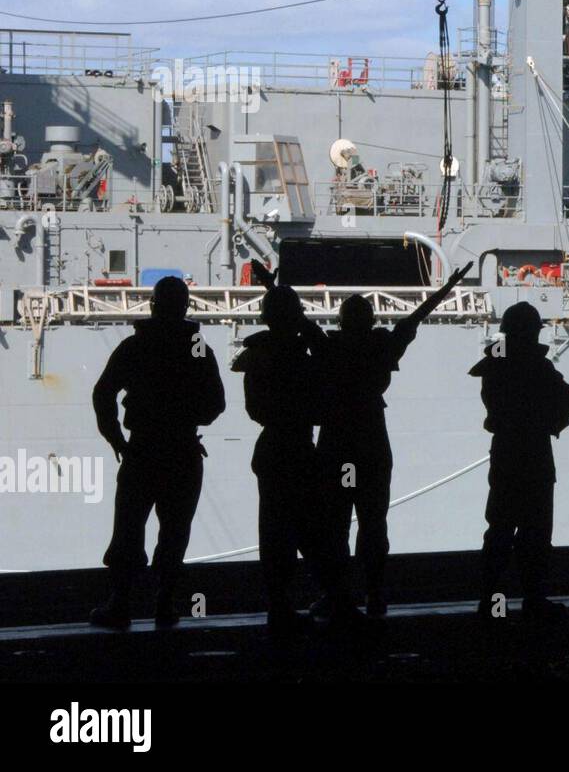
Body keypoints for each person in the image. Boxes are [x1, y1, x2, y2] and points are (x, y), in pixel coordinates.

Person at [308, 263, 471, 618]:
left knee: (335, 525)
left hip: (337, 442)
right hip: (371, 441)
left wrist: (271, 287)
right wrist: (447, 289)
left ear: (341, 321)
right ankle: (375, 593)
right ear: (369, 321)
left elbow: (299, 322)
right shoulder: (382, 348)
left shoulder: (329, 349)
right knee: (373, 522)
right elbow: (414, 320)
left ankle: (338, 595)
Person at [90, 276, 225, 629]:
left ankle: (120, 604)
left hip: (143, 451)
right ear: (185, 307)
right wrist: (186, 420)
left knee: (128, 530)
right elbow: (216, 403)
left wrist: (116, 438)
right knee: (175, 533)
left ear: (153, 305)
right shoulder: (197, 347)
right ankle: (165, 604)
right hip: (182, 452)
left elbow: (103, 394)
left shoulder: (135, 347)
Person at [231, 277, 346, 640]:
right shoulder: (303, 355)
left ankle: (281, 606)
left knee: (277, 534)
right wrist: (304, 324)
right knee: (313, 532)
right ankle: (330, 598)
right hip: (298, 447)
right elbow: (331, 359)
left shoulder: (257, 354)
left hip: (274, 449)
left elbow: (256, 408)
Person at [472, 302, 569, 622]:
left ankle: (492, 605)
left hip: (505, 454)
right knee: (535, 533)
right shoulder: (537, 367)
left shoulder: (493, 367)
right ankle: (534, 601)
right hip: (534, 454)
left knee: (499, 531)